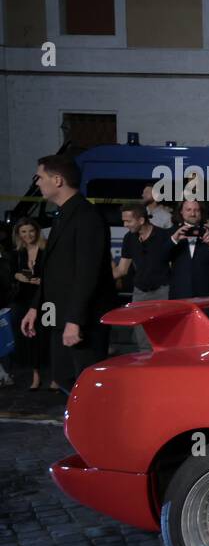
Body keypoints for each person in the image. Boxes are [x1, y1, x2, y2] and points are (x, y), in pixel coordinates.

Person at [19, 155, 116, 392]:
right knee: (63, 377)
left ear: (58, 180)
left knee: (88, 384)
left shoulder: (86, 217)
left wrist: (75, 321)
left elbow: (87, 273)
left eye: (40, 177)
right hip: (60, 315)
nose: (38, 182)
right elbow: (53, 269)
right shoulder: (62, 215)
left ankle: (100, 427)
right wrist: (36, 306)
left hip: (81, 320)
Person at [114, 203, 173, 351]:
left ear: (141, 220)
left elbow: (174, 265)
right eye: (124, 221)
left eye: (128, 221)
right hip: (140, 293)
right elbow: (122, 269)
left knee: (164, 336)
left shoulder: (163, 236)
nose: (125, 225)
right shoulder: (129, 238)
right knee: (142, 338)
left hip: (163, 291)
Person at [9, 218, 48, 390]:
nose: (28, 235)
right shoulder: (17, 253)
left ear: (37, 231)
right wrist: (19, 276)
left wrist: (43, 281)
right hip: (23, 298)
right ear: (18, 234)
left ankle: (55, 376)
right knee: (29, 337)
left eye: (31, 231)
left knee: (48, 335)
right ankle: (36, 375)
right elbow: (11, 273)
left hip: (46, 298)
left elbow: (56, 273)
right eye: (23, 232)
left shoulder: (46, 250)